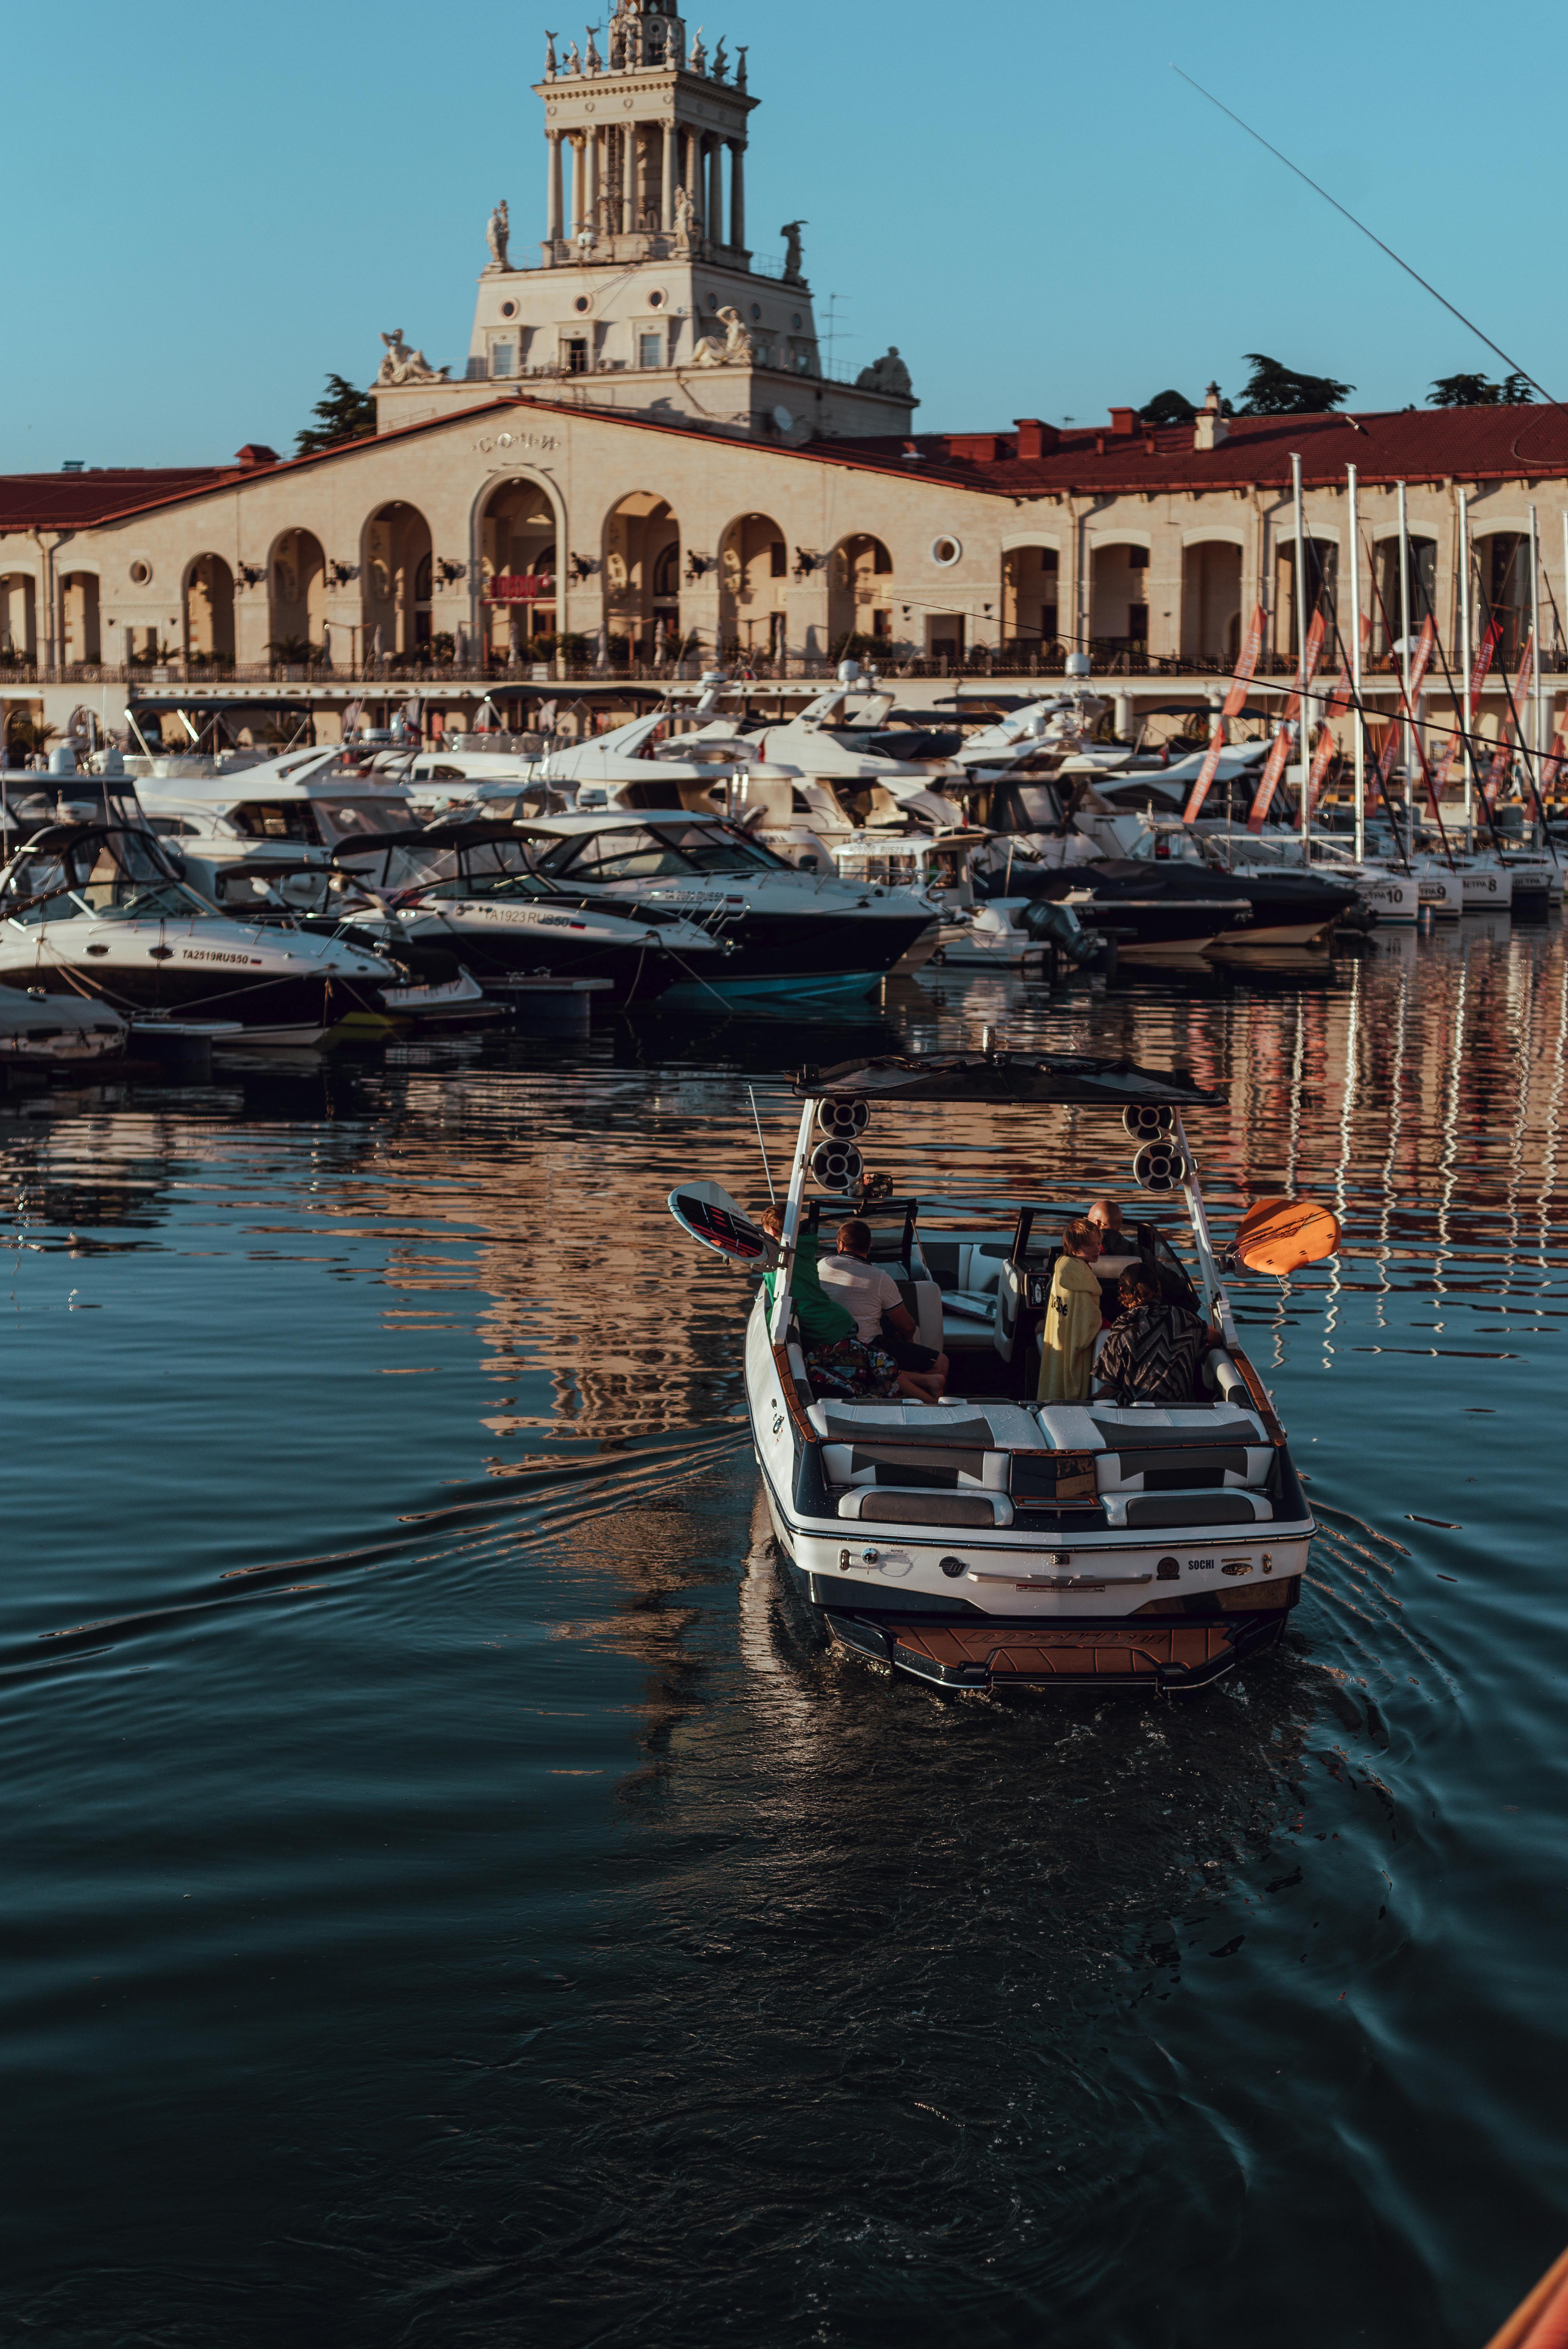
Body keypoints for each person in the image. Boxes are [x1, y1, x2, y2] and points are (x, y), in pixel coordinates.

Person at [754, 1205, 900, 1403]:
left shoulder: (782, 1261)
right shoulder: (803, 1251)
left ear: (772, 1232)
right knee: (866, 1368)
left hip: (828, 1330)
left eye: (765, 1232)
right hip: (837, 1322)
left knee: (863, 1372)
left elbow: (777, 1298)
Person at [818, 1217, 948, 1404]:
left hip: (829, 1345)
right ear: (869, 1247)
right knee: (941, 1362)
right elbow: (907, 1327)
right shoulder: (880, 1278)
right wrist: (908, 1342)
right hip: (868, 1345)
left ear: (840, 1245)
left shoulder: (822, 1266)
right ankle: (921, 1404)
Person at [1094, 1266, 1217, 1404]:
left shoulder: (1121, 1332)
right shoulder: (1183, 1318)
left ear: (1123, 1291)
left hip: (1137, 1412)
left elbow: (1110, 1386)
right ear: (1158, 1288)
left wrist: (1091, 1400)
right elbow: (1216, 1337)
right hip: (1181, 1408)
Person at [1037, 1217, 1103, 1403]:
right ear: (1074, 1247)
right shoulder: (1082, 1281)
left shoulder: (1062, 1267)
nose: (1097, 1249)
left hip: (1059, 1349)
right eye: (1090, 1245)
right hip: (1076, 1355)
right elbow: (1087, 1328)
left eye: (1098, 1243)